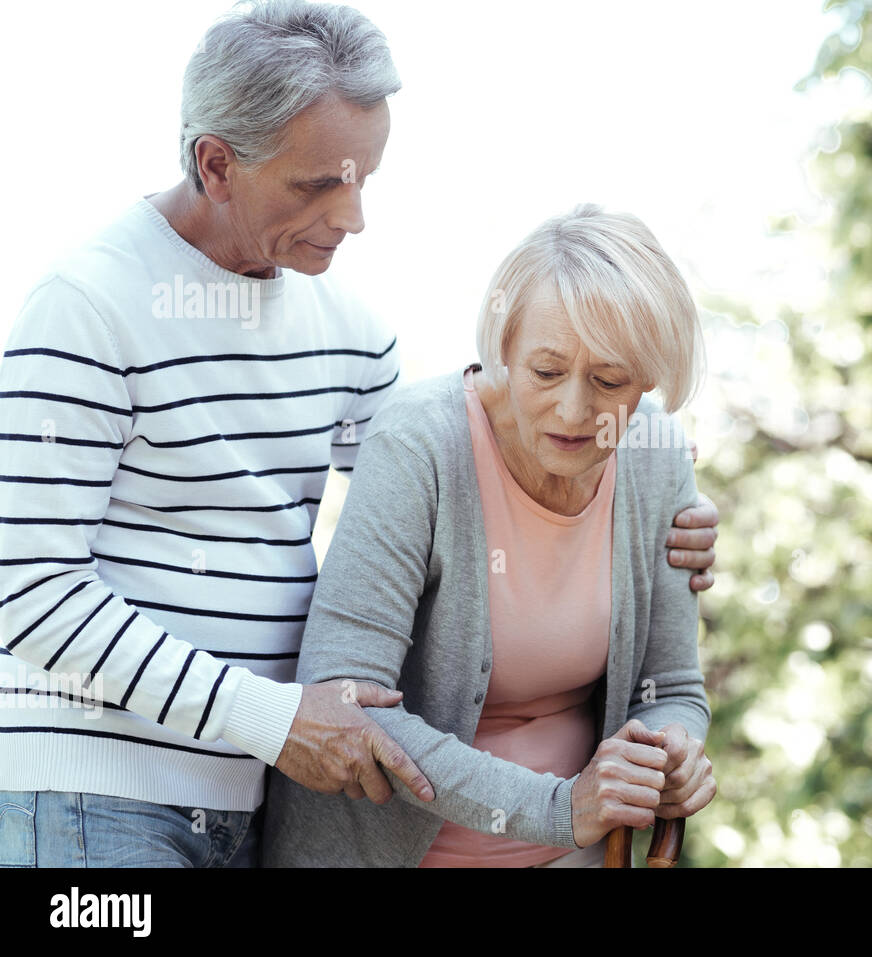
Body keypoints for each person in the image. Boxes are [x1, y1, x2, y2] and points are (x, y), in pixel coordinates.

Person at [0, 0, 718, 869]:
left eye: (363, 180)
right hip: (93, 791)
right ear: (216, 163)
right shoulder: (88, 304)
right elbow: (26, 585)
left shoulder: (350, 329)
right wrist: (275, 717)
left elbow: (462, 485)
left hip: (256, 795)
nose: (353, 217)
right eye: (318, 185)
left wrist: (667, 519)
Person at [263, 204, 718, 867]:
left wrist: (668, 749)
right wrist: (558, 807)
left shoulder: (655, 454)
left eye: (609, 380)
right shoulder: (418, 445)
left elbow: (673, 685)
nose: (573, 408)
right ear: (502, 346)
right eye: (545, 370)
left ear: (648, 378)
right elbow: (346, 699)